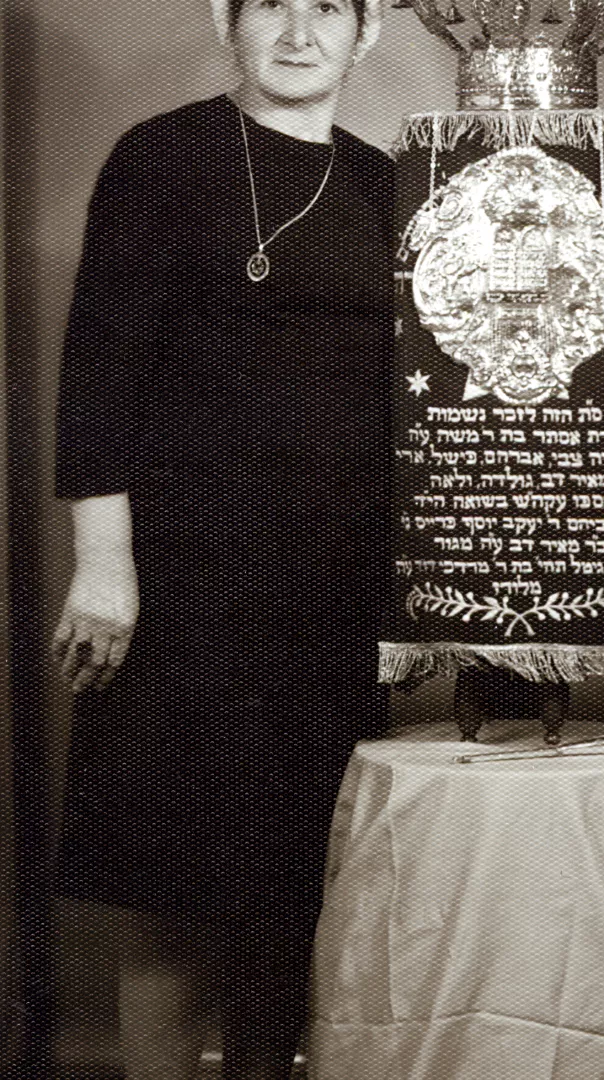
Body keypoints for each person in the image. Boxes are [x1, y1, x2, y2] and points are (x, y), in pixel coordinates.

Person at [51, 1, 391, 1076]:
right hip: (183, 594)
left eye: (328, 6)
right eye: (272, 6)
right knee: (173, 892)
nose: (300, 30)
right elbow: (97, 379)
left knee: (295, 893)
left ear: (367, 32)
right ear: (226, 25)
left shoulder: (388, 184)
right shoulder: (161, 159)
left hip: (333, 597)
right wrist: (105, 569)